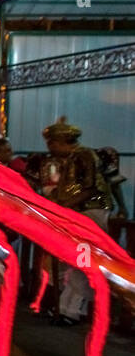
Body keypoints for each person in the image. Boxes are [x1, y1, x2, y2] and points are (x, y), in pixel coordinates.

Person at [41, 117, 114, 325]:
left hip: (90, 213)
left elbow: (90, 187)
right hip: (75, 214)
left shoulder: (84, 155)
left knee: (82, 262)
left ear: (63, 141)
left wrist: (64, 207)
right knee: (70, 260)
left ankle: (73, 310)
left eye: (52, 143)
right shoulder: (70, 159)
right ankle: (62, 307)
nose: (50, 148)